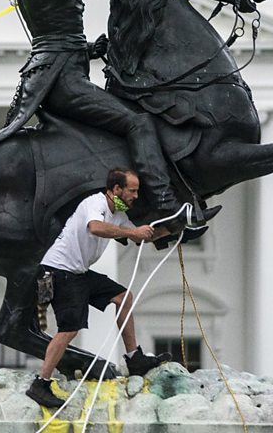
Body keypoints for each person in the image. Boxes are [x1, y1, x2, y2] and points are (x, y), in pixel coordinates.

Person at [0, 0, 185, 225]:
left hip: (57, 72)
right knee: (138, 123)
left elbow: (52, 35)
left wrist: (89, 49)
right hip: (63, 82)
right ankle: (166, 207)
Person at [25, 168, 171, 408]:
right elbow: (96, 227)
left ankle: (135, 358)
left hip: (78, 272)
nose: (135, 196)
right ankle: (40, 383)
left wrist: (177, 228)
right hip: (59, 271)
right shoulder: (95, 203)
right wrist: (133, 231)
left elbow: (142, 237)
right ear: (116, 189)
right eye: (132, 190)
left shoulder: (118, 214)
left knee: (124, 297)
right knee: (69, 329)